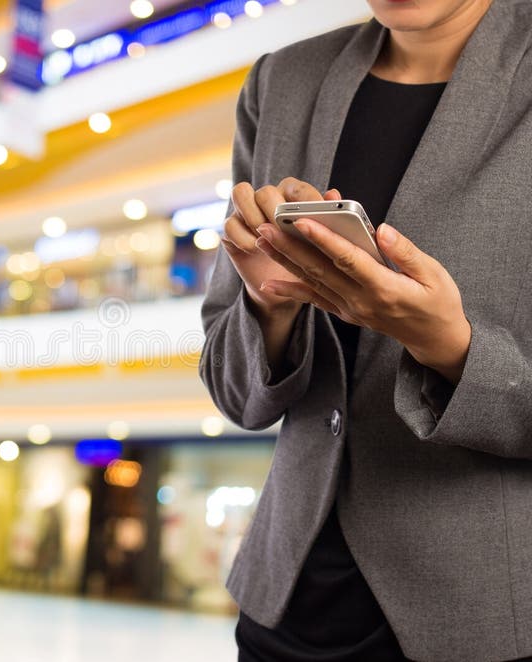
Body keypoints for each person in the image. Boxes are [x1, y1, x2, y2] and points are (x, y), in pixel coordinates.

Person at [199, 1, 532, 660]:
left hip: (483, 619)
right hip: (288, 603)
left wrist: (449, 347)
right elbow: (235, 392)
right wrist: (270, 306)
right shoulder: (283, 80)